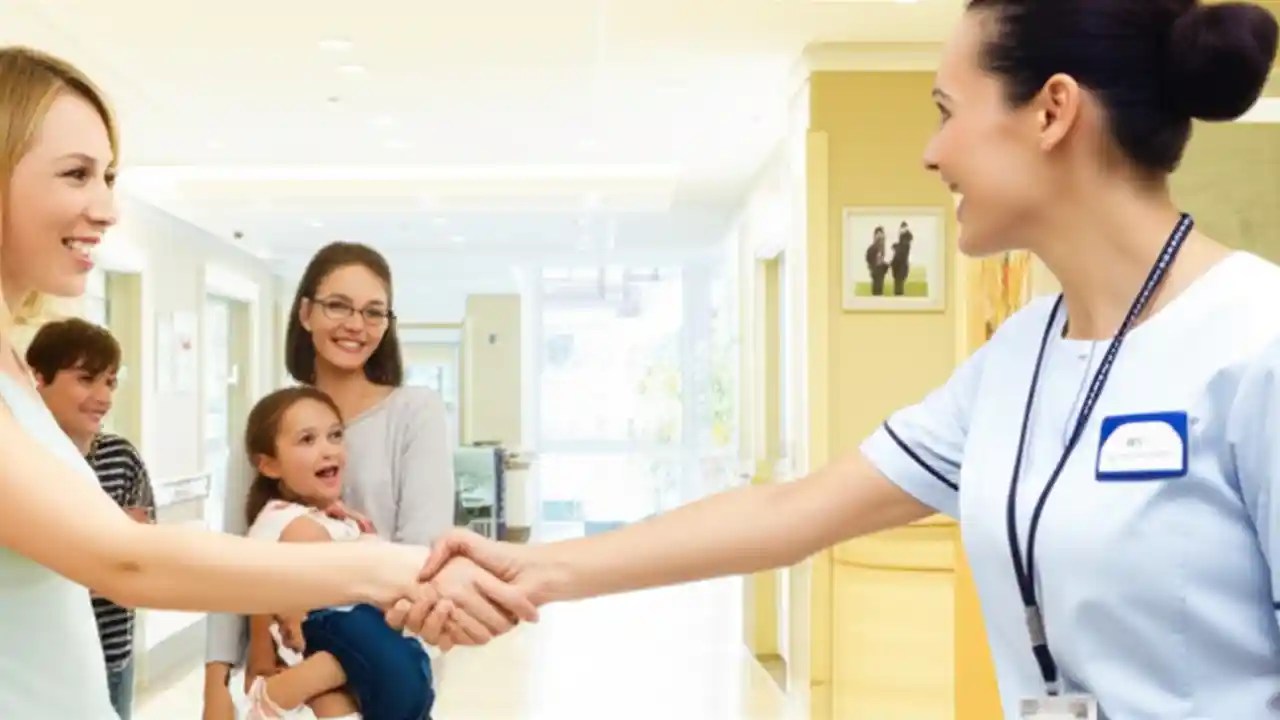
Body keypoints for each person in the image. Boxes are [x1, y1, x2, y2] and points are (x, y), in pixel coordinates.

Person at [410, 2, 1280, 718]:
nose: (931, 152)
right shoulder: (1019, 355)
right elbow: (792, 511)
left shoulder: (1256, 339)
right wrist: (538, 570)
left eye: (947, 111)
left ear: (1052, 111)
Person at [0, 45, 534, 719]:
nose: (107, 208)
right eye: (76, 175)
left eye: (109, 176)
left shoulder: (14, 360)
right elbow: (126, 561)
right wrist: (382, 568)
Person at [204, 241, 461, 718]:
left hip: (386, 654)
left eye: (374, 312)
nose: (355, 325)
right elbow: (233, 564)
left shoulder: (415, 412)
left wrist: (327, 667)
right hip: (287, 665)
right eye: (338, 306)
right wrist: (215, 681)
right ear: (305, 313)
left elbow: (419, 558)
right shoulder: (268, 421)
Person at [240, 387, 435, 720]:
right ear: (269, 465)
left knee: (409, 670)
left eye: (335, 436)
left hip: (340, 675)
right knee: (405, 674)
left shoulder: (319, 519)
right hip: (324, 667)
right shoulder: (295, 526)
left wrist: (358, 534)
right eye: (307, 440)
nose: (328, 450)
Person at [26, 317, 156, 718]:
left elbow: (140, 561)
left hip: (110, 652)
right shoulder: (21, 460)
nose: (103, 397)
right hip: (36, 659)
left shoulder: (122, 458)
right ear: (38, 378)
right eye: (86, 379)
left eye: (111, 382)